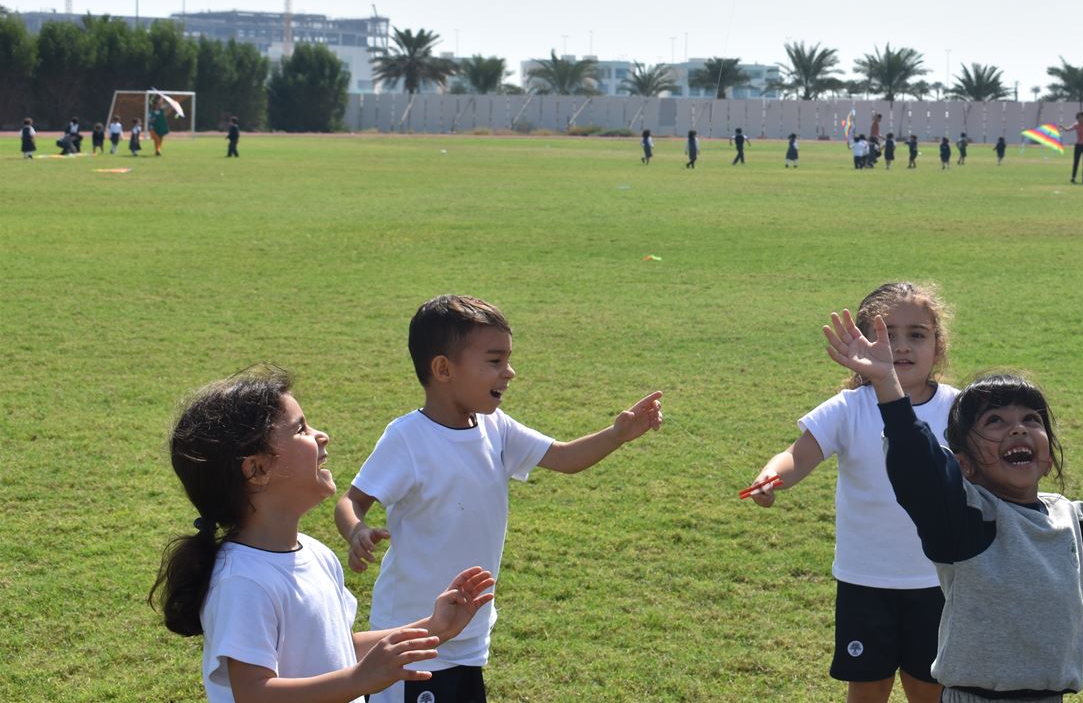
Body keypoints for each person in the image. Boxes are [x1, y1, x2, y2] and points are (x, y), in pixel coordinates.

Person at [335, 295, 664, 703]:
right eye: (494, 361)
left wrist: (617, 434)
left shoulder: (496, 427)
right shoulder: (408, 439)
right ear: (443, 369)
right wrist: (356, 531)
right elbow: (351, 501)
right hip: (412, 638)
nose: (509, 372)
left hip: (470, 634)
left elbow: (562, 457)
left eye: (507, 359)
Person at [823, 312, 1083, 700]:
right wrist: (889, 386)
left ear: (1048, 456)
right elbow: (919, 472)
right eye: (995, 421)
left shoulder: (1065, 518)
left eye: (1030, 419)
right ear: (963, 464)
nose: (1018, 428)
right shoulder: (967, 518)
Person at [149, 364, 496, 703]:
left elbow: (340, 648)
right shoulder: (243, 581)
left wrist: (432, 627)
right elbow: (254, 692)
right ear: (257, 469)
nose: (321, 435)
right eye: (301, 429)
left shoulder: (317, 554)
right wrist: (359, 679)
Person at [746, 283, 961, 703]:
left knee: (929, 688)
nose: (899, 346)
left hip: (937, 580)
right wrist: (771, 477)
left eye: (916, 334)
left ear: (938, 345)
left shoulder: (958, 409)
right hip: (865, 581)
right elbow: (797, 455)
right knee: (867, 688)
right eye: (884, 334)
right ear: (859, 347)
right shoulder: (849, 407)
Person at [1063, 110, 1083, 185]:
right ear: (1077, 118)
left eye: (1081, 117)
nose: (1080, 118)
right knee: (1076, 162)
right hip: (1078, 146)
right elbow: (1067, 129)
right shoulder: (1076, 125)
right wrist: (1062, 127)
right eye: (1078, 117)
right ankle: (1073, 178)